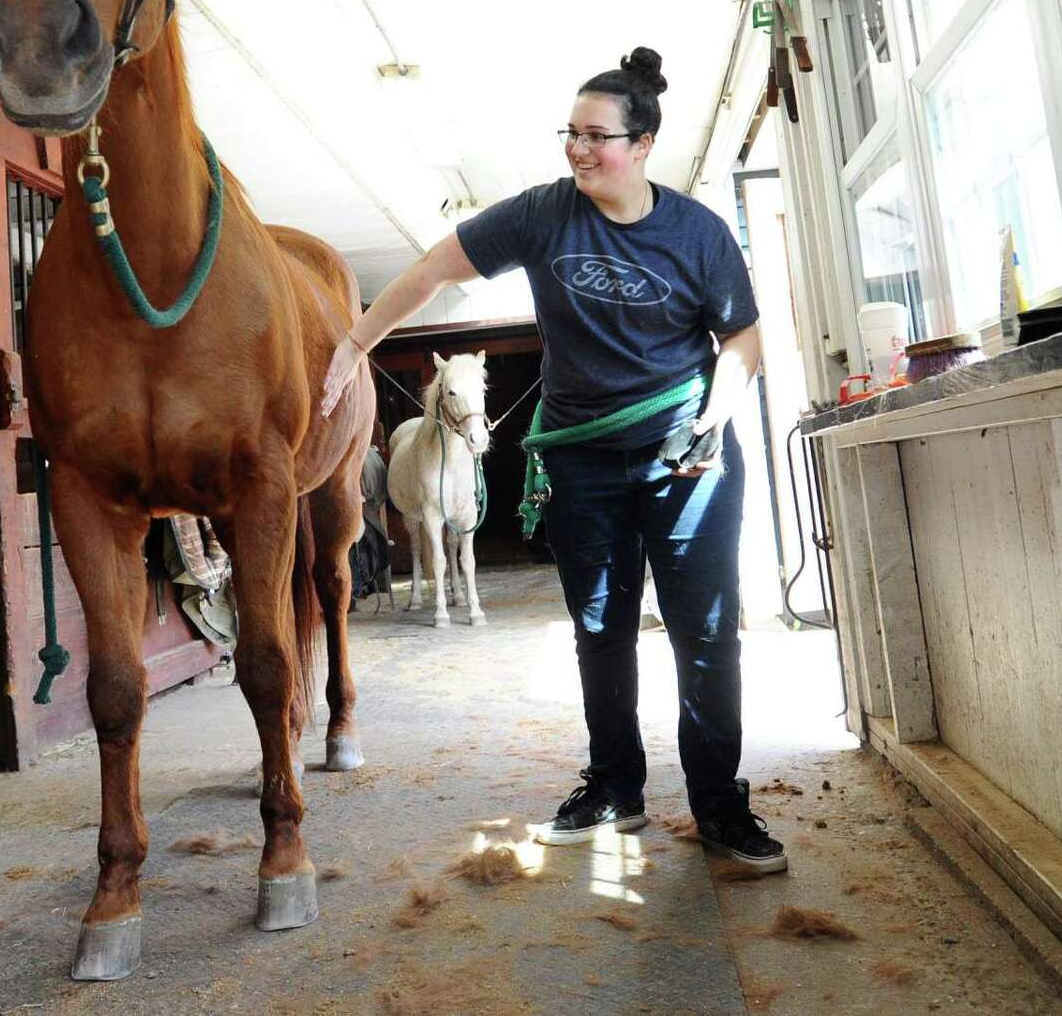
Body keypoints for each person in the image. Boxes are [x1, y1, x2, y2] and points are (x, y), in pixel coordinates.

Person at [319, 47, 785, 873]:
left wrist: (715, 416)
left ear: (643, 145)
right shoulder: (543, 215)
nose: (578, 149)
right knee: (601, 631)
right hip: (581, 461)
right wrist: (355, 346)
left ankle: (719, 804)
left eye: (597, 136)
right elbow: (430, 269)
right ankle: (614, 788)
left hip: (685, 453)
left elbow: (741, 338)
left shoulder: (697, 233)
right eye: (570, 133)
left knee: (706, 634)